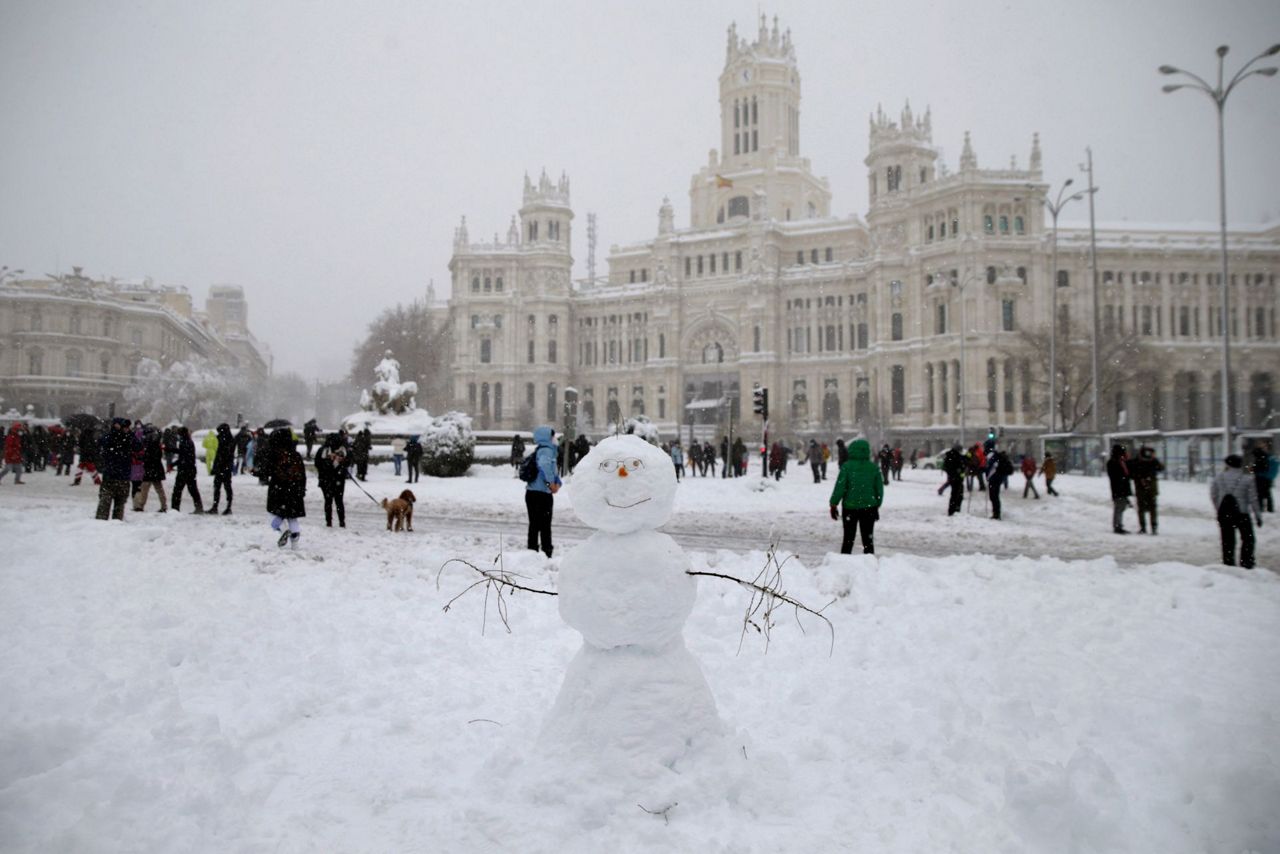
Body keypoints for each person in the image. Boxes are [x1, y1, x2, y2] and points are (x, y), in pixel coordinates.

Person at [828, 438, 883, 554]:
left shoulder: (847, 467)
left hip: (850, 508)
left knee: (848, 539)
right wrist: (877, 505)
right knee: (868, 540)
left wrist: (834, 504)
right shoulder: (873, 468)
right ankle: (870, 564)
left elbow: (840, 487)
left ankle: (843, 562)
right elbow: (879, 489)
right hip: (869, 507)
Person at [1211, 454, 1262, 569]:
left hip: (1224, 513)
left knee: (1227, 539)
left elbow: (1213, 494)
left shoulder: (1219, 477)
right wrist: (1258, 515)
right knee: (1248, 538)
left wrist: (1218, 508)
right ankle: (1246, 561)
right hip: (1242, 512)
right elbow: (1253, 498)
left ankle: (1228, 562)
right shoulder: (1247, 478)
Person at [265, 428, 307, 549]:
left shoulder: (275, 454)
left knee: (273, 513)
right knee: (292, 516)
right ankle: (295, 544)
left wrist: (254, 472)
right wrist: (302, 489)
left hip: (278, 489)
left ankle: (283, 529)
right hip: (295, 489)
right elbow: (302, 474)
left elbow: (267, 470)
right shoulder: (296, 455)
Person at [525, 425, 561, 558]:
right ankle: (546, 552)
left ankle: (533, 551)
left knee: (535, 524)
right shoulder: (546, 451)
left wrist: (557, 483)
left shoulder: (545, 450)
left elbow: (553, 470)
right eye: (552, 436)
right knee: (544, 525)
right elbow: (545, 467)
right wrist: (550, 484)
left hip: (534, 493)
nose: (554, 438)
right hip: (540, 494)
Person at [95, 418, 138, 520]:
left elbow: (138, 446)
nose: (127, 429)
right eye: (124, 427)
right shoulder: (112, 437)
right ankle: (104, 524)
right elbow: (101, 442)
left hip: (120, 476)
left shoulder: (127, 437)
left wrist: (128, 434)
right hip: (113, 476)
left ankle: (114, 525)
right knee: (107, 504)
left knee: (118, 504)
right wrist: (118, 432)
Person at [315, 432, 349, 527]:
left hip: (327, 480)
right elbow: (348, 463)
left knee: (329, 501)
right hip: (336, 480)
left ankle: (329, 521)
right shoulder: (343, 451)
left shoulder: (322, 450)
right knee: (338, 501)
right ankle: (340, 521)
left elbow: (318, 464)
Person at [1129, 445, 1165, 534]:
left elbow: (1131, 473)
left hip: (1143, 488)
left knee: (1144, 508)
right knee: (1151, 508)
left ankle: (1145, 527)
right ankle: (1152, 527)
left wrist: (1139, 478)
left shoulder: (1138, 461)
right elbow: (1161, 468)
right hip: (1149, 488)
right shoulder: (1151, 461)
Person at [133, 427, 168, 512]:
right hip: (157, 469)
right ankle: (164, 506)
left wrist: (143, 459)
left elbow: (146, 458)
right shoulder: (157, 445)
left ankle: (140, 505)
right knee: (159, 489)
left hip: (149, 470)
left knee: (144, 489)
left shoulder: (147, 446)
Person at [170, 426, 204, 513]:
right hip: (191, 469)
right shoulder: (189, 441)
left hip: (184, 470)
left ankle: (175, 508)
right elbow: (183, 453)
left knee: (178, 490)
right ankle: (199, 507)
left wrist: (173, 464)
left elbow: (182, 456)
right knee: (193, 489)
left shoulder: (184, 442)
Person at [207, 423, 236, 515]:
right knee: (221, 487)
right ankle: (222, 506)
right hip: (223, 467)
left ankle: (222, 506)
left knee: (223, 487)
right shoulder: (227, 439)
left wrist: (217, 466)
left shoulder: (227, 440)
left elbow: (222, 455)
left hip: (224, 467)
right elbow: (219, 455)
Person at [1106, 444, 1133, 534]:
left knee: (1121, 507)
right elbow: (1117, 477)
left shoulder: (1121, 462)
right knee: (1119, 508)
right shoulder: (1114, 462)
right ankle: (1117, 526)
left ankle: (1118, 525)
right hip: (1118, 489)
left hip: (1122, 489)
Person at [985, 444, 1013, 520]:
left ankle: (996, 514)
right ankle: (996, 513)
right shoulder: (999, 457)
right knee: (995, 496)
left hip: (994, 479)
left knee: (993, 497)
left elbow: (990, 468)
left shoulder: (993, 457)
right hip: (998, 479)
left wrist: (988, 476)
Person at [943, 443, 967, 516]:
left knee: (958, 494)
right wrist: (957, 472)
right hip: (955, 478)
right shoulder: (954, 456)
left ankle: (955, 509)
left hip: (955, 478)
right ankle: (953, 510)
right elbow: (951, 467)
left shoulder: (953, 455)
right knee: (955, 494)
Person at [1252, 445, 1275, 514]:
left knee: (1260, 494)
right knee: (1267, 494)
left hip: (1261, 479)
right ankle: (1270, 508)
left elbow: (1261, 468)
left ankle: (1261, 508)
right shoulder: (1266, 456)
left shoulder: (1260, 458)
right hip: (1267, 479)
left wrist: (1254, 469)